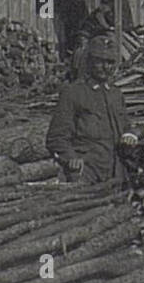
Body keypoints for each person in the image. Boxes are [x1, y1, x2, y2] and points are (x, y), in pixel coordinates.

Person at [46, 34, 138, 184]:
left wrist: (130, 135)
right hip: (86, 173)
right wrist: (71, 158)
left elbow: (126, 125)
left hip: (116, 172)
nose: (105, 67)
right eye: (99, 62)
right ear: (89, 62)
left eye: (109, 62)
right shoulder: (73, 92)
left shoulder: (115, 94)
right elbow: (56, 138)